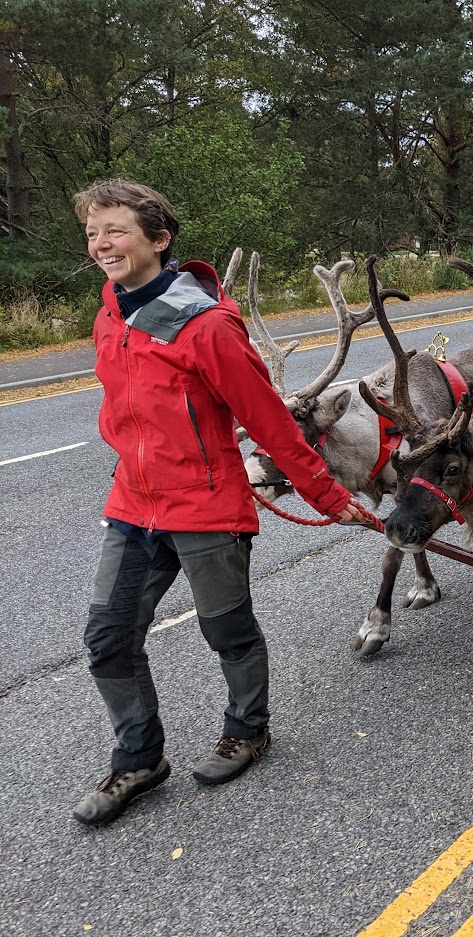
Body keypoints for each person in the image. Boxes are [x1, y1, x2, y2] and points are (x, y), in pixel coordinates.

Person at [71, 179, 367, 826]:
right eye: (94, 233)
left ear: (158, 238)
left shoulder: (205, 328)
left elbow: (268, 421)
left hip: (206, 505)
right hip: (133, 506)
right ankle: (140, 755)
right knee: (107, 638)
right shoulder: (110, 312)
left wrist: (326, 492)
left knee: (226, 631)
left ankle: (247, 729)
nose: (101, 244)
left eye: (115, 230)